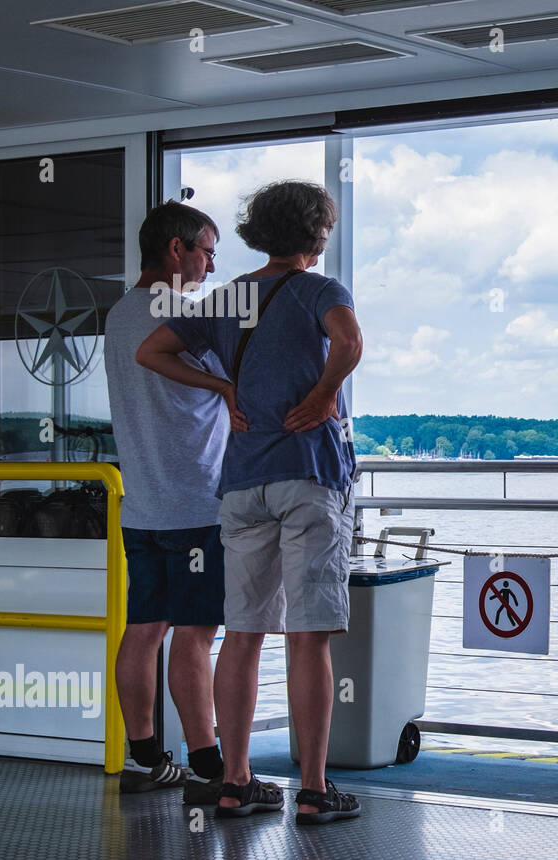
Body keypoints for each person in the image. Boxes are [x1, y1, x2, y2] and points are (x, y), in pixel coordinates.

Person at [137, 180, 363, 825]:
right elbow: (348, 343)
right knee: (309, 637)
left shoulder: (230, 294)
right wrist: (322, 397)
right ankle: (315, 790)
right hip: (308, 474)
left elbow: (151, 351)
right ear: (316, 235)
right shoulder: (322, 290)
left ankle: (236, 782)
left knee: (242, 634)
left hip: (240, 483)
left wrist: (222, 390)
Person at [104, 201, 228, 803]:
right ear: (175, 250)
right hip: (197, 504)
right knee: (196, 635)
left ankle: (145, 759)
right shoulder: (186, 315)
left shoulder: (119, 314)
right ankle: (209, 767)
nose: (210, 265)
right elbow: (245, 380)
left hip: (142, 507)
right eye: (206, 250)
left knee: (144, 630)